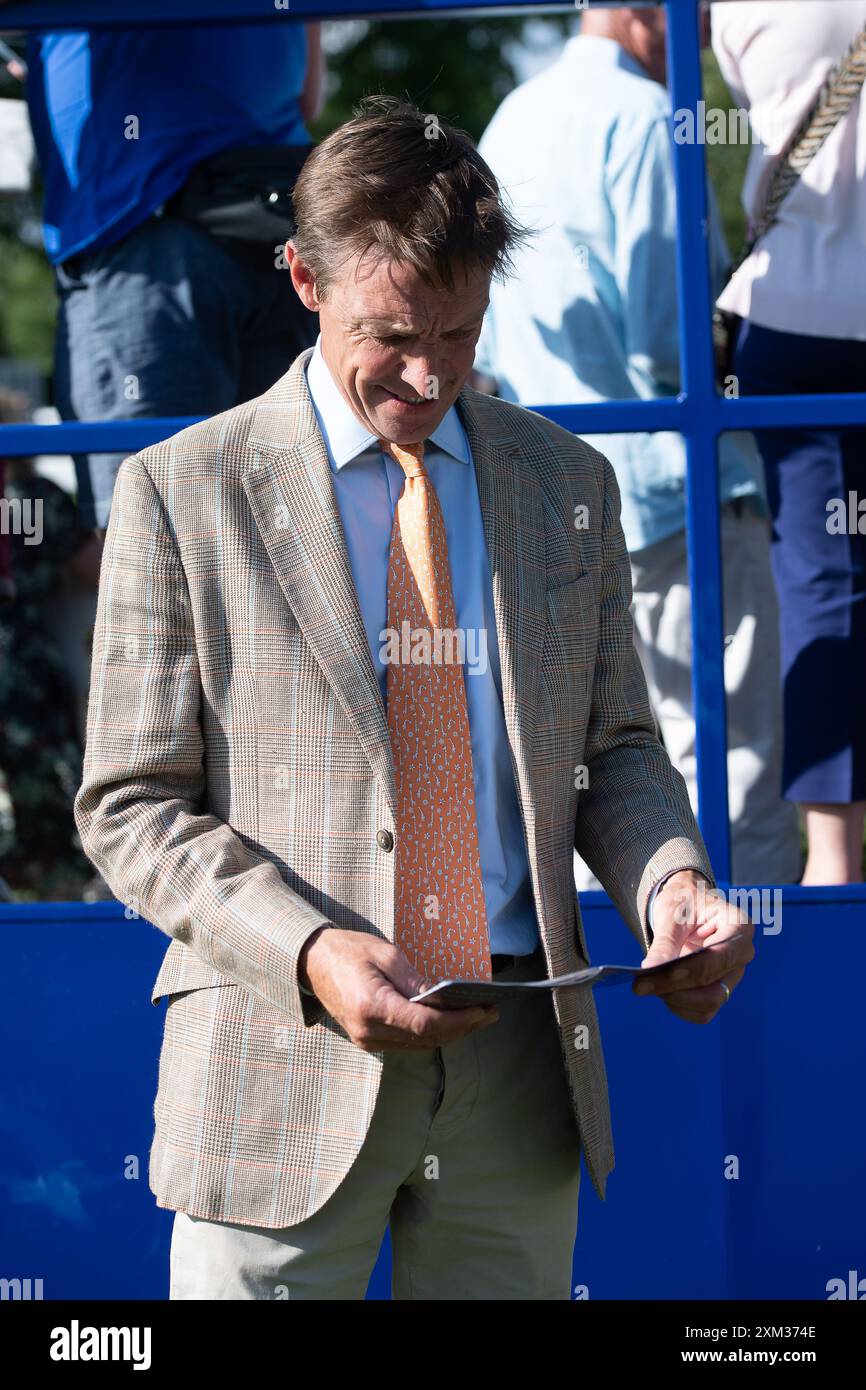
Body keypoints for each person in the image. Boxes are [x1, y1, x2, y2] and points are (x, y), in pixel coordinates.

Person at [73, 97, 754, 1302]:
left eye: (460, 331)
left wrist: (671, 881)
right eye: (392, 334)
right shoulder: (180, 490)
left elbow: (616, 749)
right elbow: (132, 807)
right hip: (275, 1054)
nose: (430, 372)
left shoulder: (565, 482)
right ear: (300, 276)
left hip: (520, 1062)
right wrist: (313, 949)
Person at [472, 6, 802, 889]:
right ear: (637, 10)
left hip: (546, 497)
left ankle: (611, 1008)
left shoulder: (511, 120)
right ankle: (739, 1000)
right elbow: (671, 336)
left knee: (576, 772)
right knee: (729, 764)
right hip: (672, 486)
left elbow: (494, 345)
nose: (702, 31)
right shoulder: (654, 121)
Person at [24, 21, 325, 533]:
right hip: (274, 210)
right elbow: (307, 94)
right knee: (297, 534)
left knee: (148, 547)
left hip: (139, 222)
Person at [713, 1, 866, 885]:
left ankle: (835, 864)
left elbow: (754, 103)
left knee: (822, 582)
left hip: (794, 316)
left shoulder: (744, 5)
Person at [0, 388, 102, 900]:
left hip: (24, 685)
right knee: (49, 821)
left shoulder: (30, 502)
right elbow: (97, 565)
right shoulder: (29, 501)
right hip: (24, 687)